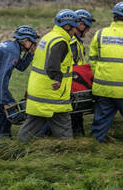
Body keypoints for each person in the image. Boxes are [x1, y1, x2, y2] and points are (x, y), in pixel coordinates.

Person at [88, 1, 123, 146]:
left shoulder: (100, 33)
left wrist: (101, 76)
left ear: (114, 17)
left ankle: (95, 145)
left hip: (102, 87)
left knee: (101, 121)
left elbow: (92, 60)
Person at [18, 9, 80, 142]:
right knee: (63, 126)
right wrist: (57, 79)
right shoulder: (61, 42)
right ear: (67, 26)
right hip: (52, 93)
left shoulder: (48, 37)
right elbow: (52, 65)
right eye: (74, 27)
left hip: (38, 91)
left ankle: (19, 146)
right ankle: (68, 151)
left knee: (32, 124)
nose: (75, 31)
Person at [70, 8, 96, 136]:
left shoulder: (77, 41)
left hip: (77, 81)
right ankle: (77, 135)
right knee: (75, 111)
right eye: (87, 26)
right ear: (80, 24)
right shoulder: (73, 43)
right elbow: (72, 66)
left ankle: (78, 134)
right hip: (74, 82)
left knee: (77, 112)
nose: (88, 30)